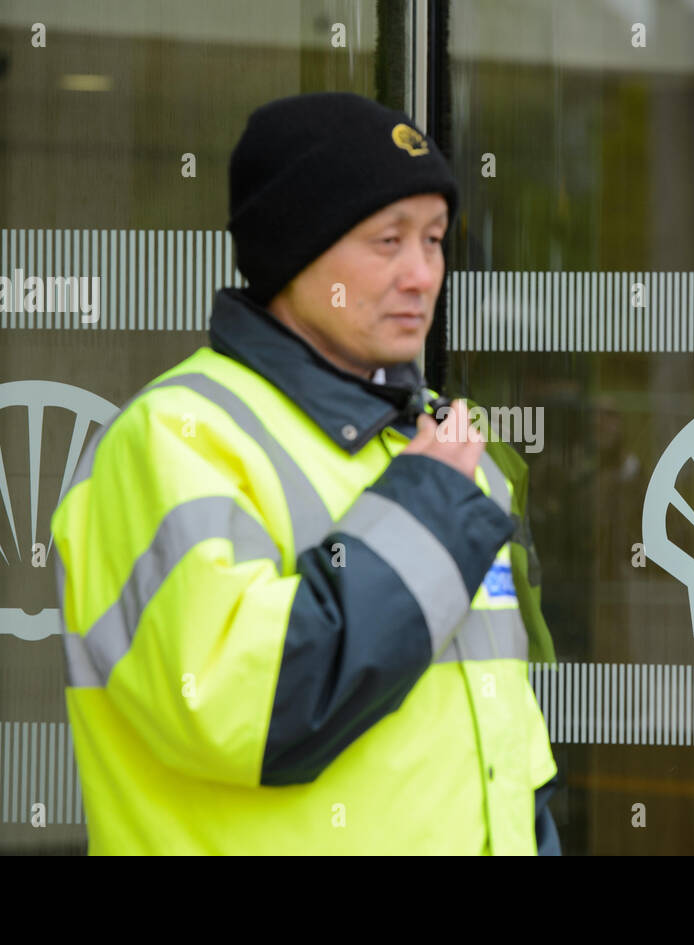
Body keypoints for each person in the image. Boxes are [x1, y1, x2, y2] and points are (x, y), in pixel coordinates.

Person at [51, 91, 561, 855]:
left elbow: (506, 749)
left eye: (434, 238)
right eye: (387, 241)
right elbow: (244, 710)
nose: (423, 274)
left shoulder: (445, 447)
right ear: (296, 248)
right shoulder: (174, 437)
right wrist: (424, 518)